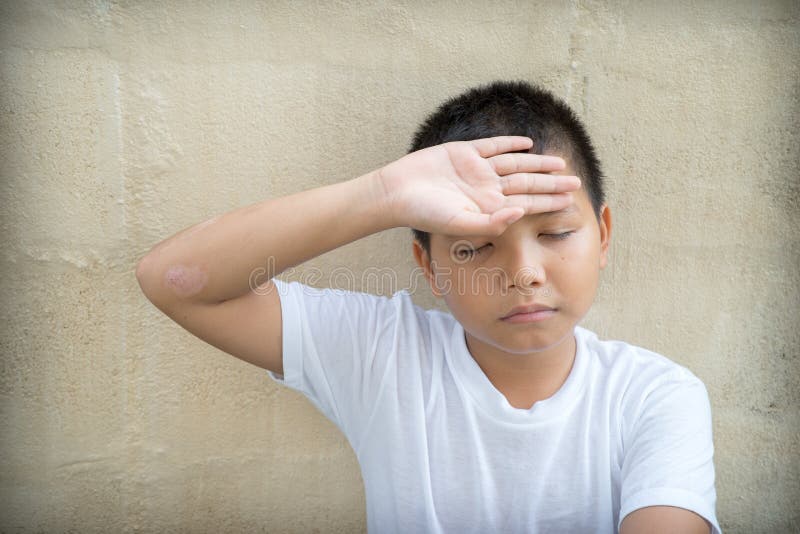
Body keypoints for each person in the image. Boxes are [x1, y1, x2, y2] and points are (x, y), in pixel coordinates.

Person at [136, 80, 721, 534]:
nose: (523, 273)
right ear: (429, 268)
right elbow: (176, 280)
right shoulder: (383, 354)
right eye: (473, 246)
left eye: (556, 233)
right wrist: (382, 195)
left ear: (604, 234)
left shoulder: (655, 396)